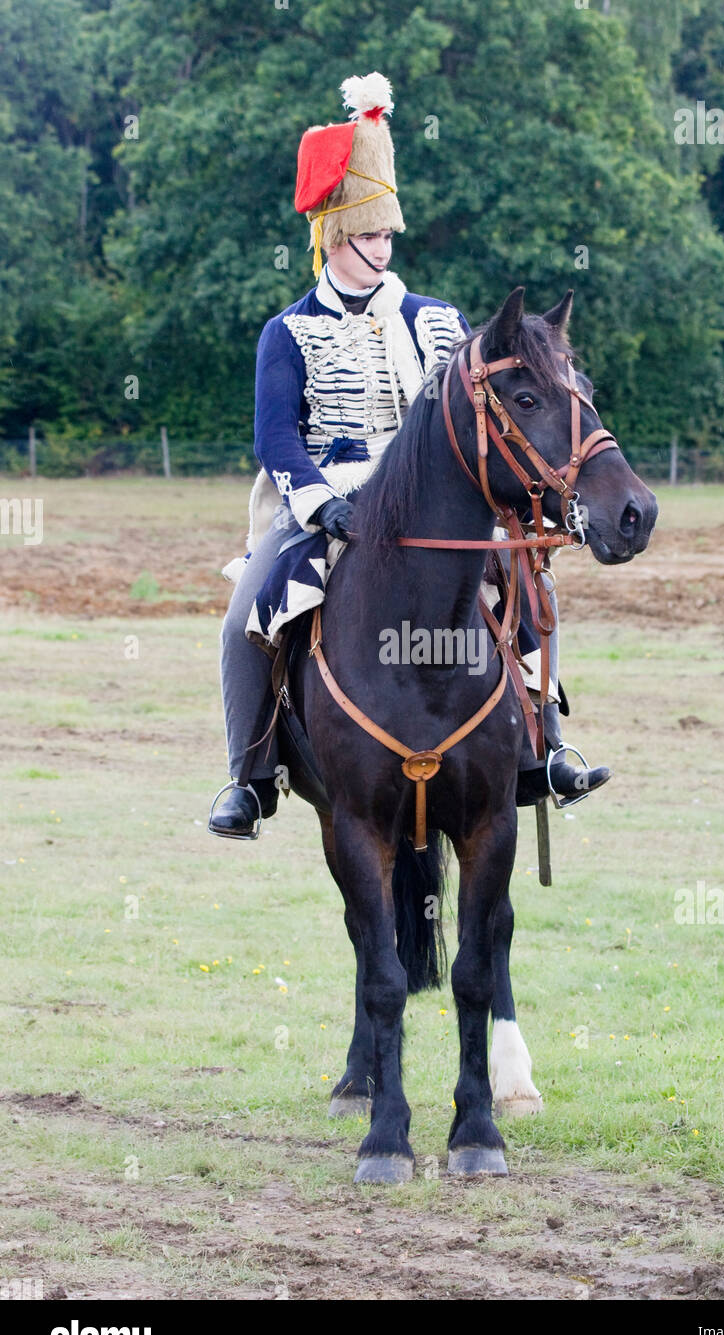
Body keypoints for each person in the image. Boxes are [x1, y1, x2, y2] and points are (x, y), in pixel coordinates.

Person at [209, 73, 609, 838]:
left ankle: (544, 748)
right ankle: (249, 777)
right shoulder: (286, 332)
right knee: (243, 616)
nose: (384, 249)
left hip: (432, 504)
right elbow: (276, 436)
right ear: (332, 233)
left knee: (521, 588)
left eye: (390, 236)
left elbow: (472, 418)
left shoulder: (437, 321)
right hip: (328, 500)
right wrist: (322, 502)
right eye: (370, 236)